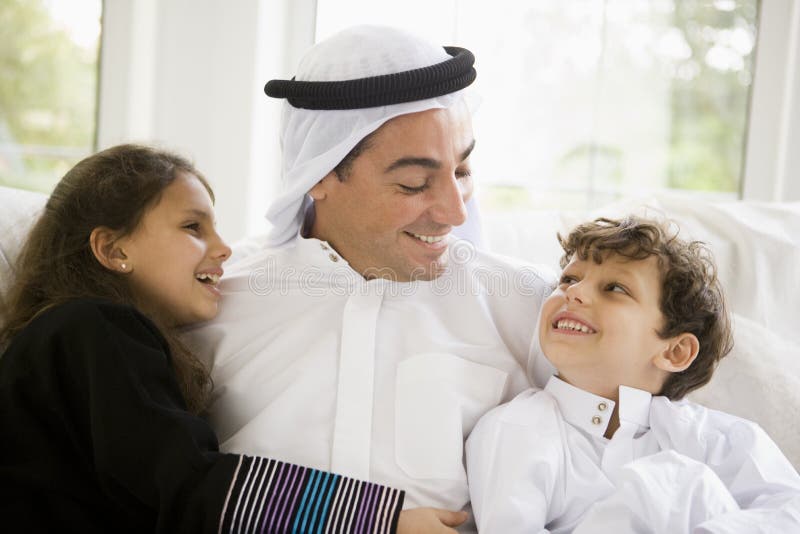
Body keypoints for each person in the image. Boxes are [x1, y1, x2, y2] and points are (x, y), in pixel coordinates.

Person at [184, 25, 554, 530]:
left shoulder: (534, 308)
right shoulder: (211, 305)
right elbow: (174, 488)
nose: (454, 212)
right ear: (318, 174)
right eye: (414, 183)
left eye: (462, 172)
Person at [0, 144, 465, 533]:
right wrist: (377, 520)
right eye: (192, 227)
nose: (222, 248)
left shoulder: (71, 339)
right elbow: (190, 486)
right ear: (113, 249)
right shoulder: (91, 328)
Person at [466, 215, 800, 533]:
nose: (575, 292)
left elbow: (788, 512)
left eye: (614, 288)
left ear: (674, 351)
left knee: (679, 484)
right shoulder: (518, 429)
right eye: (569, 278)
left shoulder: (716, 439)